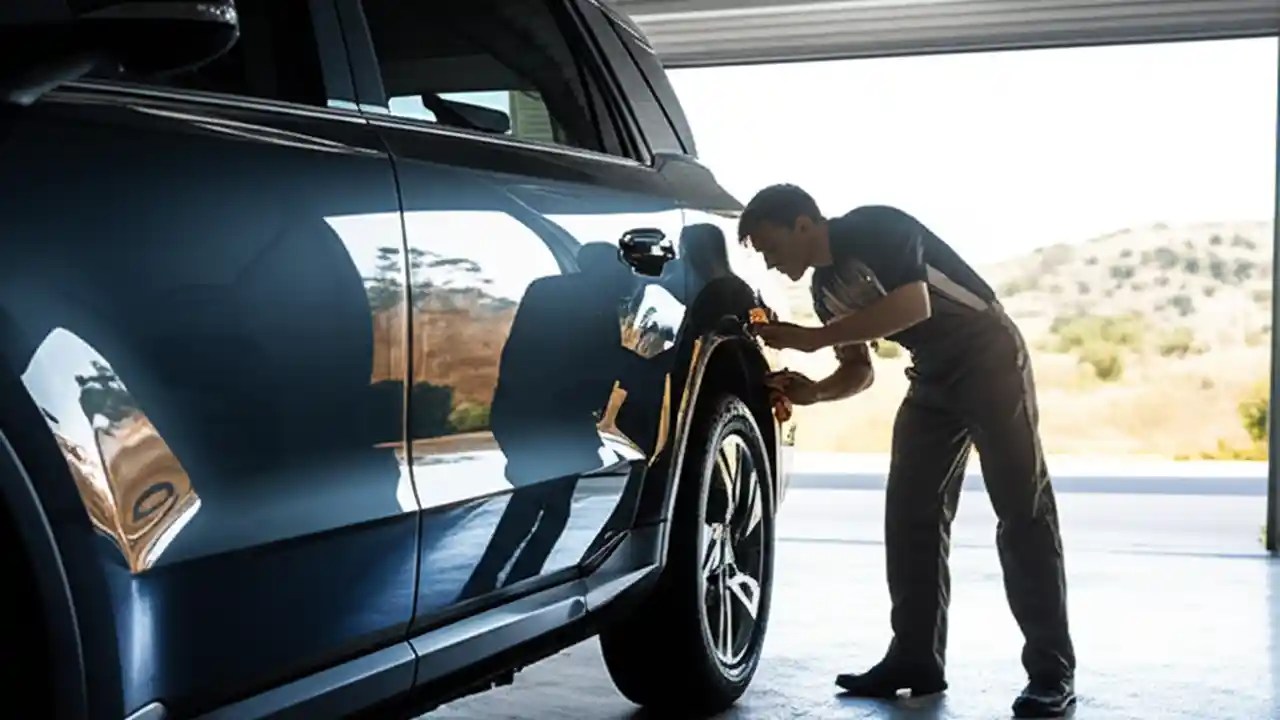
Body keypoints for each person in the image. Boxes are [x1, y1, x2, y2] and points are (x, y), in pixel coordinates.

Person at [738, 184, 1076, 719]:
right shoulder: (826, 290)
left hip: (988, 355)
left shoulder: (874, 226)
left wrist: (810, 339)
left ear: (804, 224)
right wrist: (814, 389)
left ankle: (1051, 673)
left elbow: (912, 303)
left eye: (771, 247)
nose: (772, 263)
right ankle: (915, 660)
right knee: (910, 515)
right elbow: (860, 370)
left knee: (1021, 511)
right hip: (933, 379)